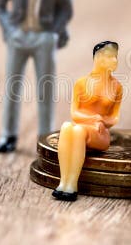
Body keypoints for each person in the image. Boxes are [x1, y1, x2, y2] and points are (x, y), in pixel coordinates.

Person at [0, 0, 73, 153]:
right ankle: (8, 135)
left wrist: (53, 33)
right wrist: (9, 30)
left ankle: (45, 137)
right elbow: (0, 5)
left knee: (45, 89)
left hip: (43, 38)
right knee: (12, 88)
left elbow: (66, 9)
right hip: (18, 36)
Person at [53, 41, 123, 201]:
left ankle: (71, 185)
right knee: (66, 126)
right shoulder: (82, 83)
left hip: (100, 133)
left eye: (115, 57)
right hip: (85, 124)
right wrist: (94, 118)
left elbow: (115, 117)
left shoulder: (117, 87)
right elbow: (75, 113)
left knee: (78, 131)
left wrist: (103, 121)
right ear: (98, 59)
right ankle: (63, 182)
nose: (114, 61)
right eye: (110, 57)